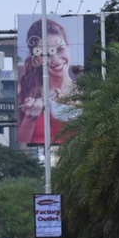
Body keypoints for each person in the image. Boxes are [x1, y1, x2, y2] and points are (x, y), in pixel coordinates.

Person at [17, 16, 73, 145]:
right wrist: (30, 117)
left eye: (60, 50)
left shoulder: (87, 92)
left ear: (68, 47)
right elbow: (21, 144)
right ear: (37, 60)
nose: (56, 59)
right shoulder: (28, 95)